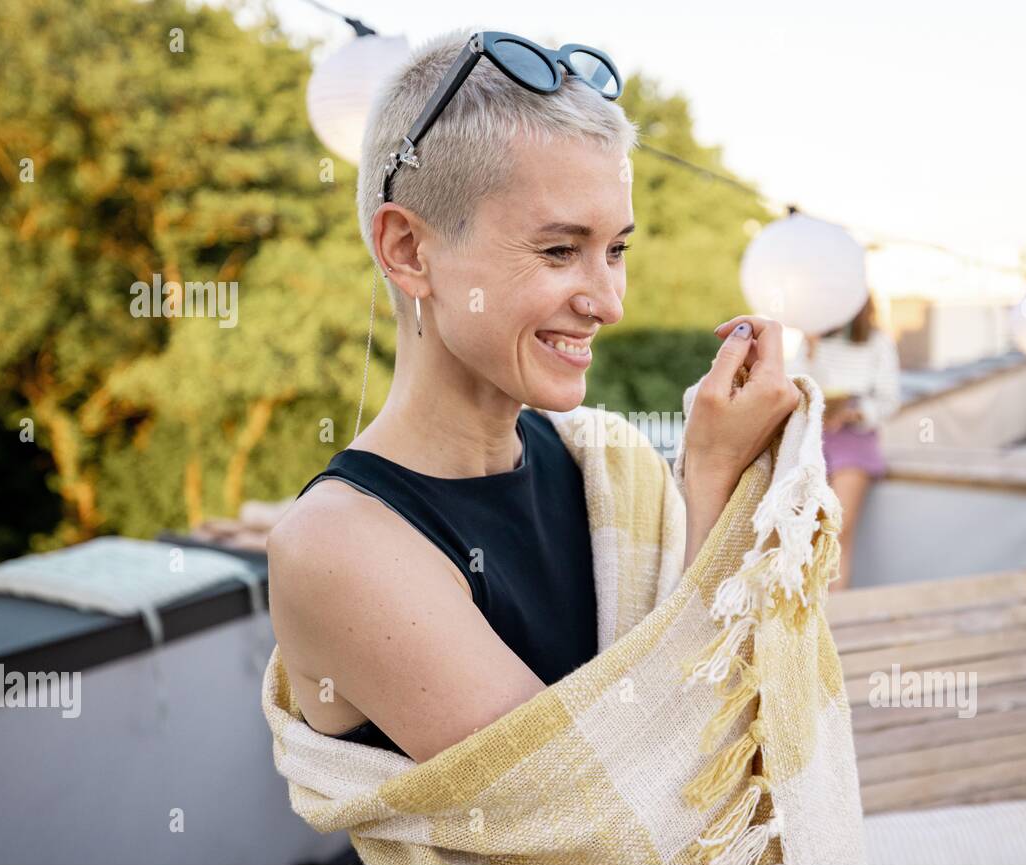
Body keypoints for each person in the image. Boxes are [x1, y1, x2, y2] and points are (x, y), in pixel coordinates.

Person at [265, 26, 800, 767]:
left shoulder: (606, 462)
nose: (609, 303)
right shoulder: (335, 544)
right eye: (558, 250)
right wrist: (712, 482)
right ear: (408, 250)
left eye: (616, 250)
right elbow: (603, 809)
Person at [787, 295, 900, 590]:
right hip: (813, 438)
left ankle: (836, 616)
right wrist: (810, 351)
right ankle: (803, 617)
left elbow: (889, 398)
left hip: (855, 438)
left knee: (836, 531)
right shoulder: (812, 340)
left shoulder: (878, 342)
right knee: (803, 531)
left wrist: (857, 412)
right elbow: (796, 386)